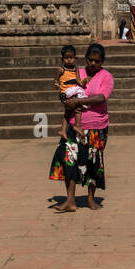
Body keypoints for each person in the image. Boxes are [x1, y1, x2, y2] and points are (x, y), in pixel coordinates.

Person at [49, 43, 113, 211]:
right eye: (90, 60)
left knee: (93, 163)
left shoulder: (106, 76)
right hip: (73, 124)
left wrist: (80, 101)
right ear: (85, 59)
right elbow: (65, 89)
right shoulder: (77, 72)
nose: (93, 64)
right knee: (69, 161)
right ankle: (70, 200)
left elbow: (101, 98)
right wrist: (66, 99)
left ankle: (91, 199)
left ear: (102, 62)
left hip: (96, 126)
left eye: (97, 61)